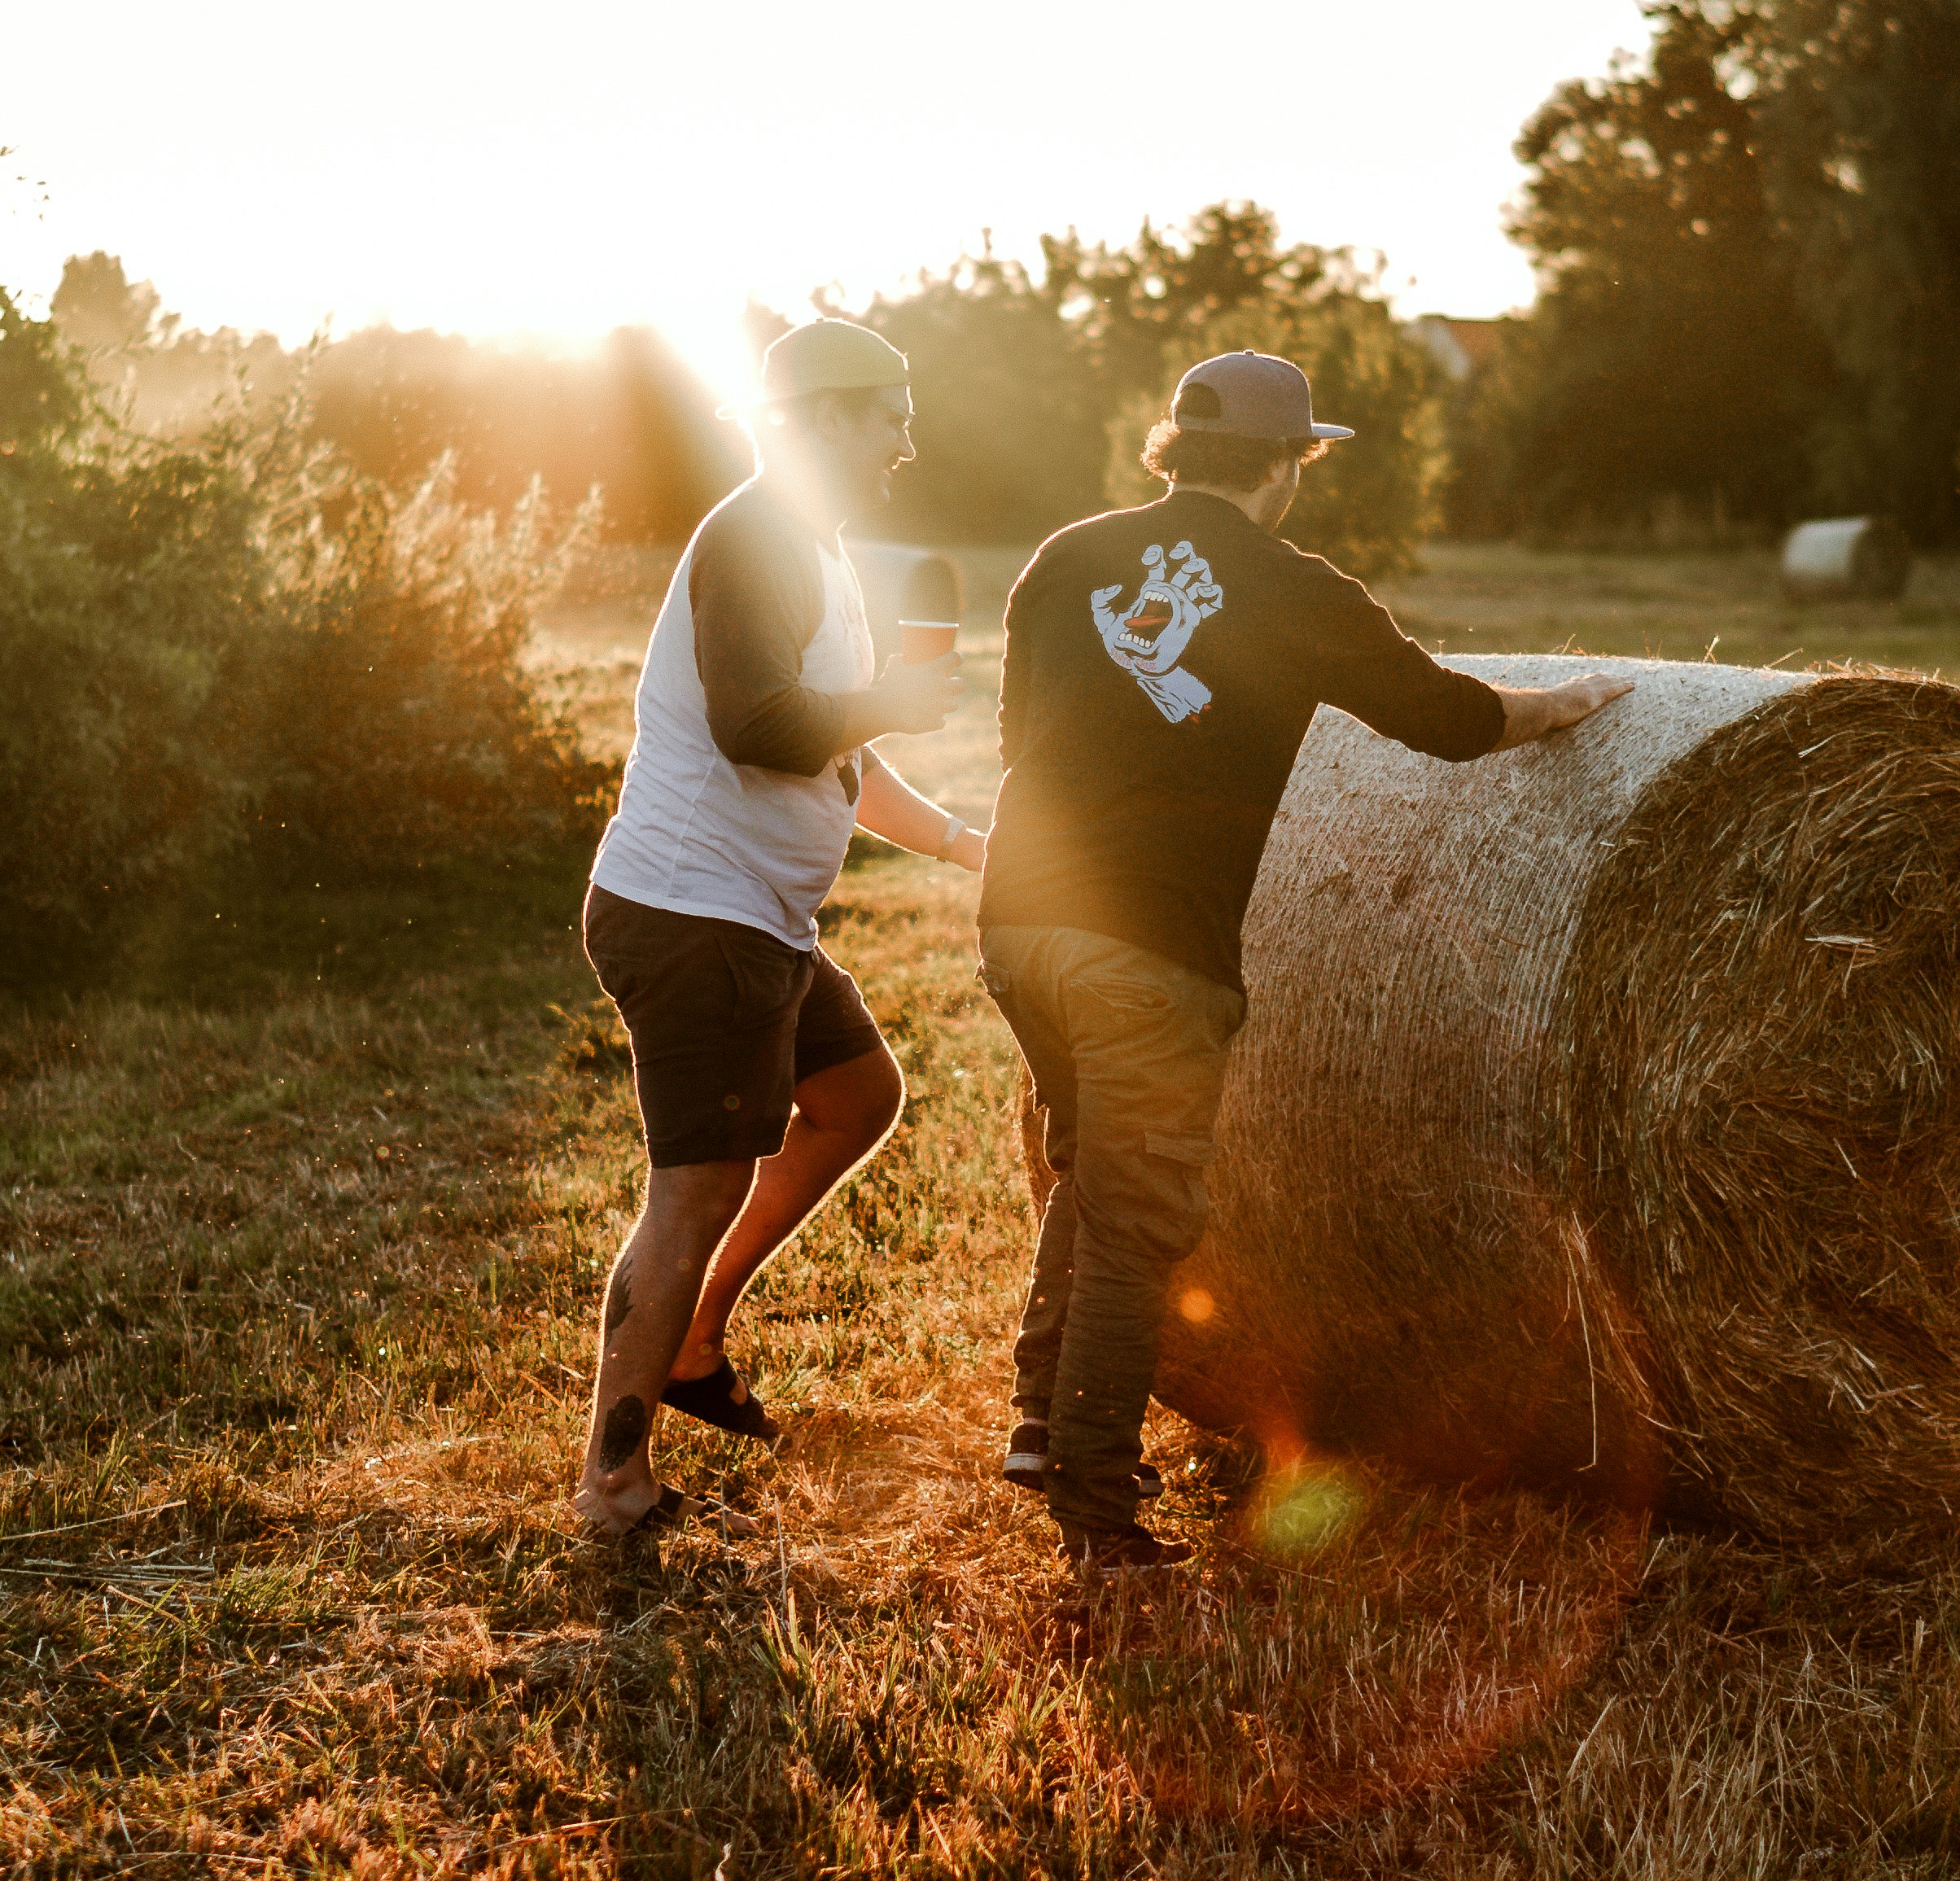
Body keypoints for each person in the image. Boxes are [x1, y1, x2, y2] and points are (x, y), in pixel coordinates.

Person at [973, 350, 1632, 1576]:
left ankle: (1037, 1425)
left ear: (1173, 446)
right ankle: (1094, 1508)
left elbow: (1019, 735)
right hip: (1149, 942)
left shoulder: (1065, 557)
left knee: (1090, 1164)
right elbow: (1452, 721)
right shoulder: (1298, 589)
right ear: (1289, 463)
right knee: (1137, 1217)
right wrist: (1568, 701)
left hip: (1019, 921)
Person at [572, 317, 984, 1539]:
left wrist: (969, 841)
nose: (909, 438)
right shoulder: (756, 537)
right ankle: (610, 1485)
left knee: (859, 1097)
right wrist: (896, 701)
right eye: (891, 413)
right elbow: (761, 725)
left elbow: (836, 757)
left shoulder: (815, 544)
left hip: (752, 922)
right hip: (697, 917)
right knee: (693, 1195)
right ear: (826, 419)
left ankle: (696, 1339)